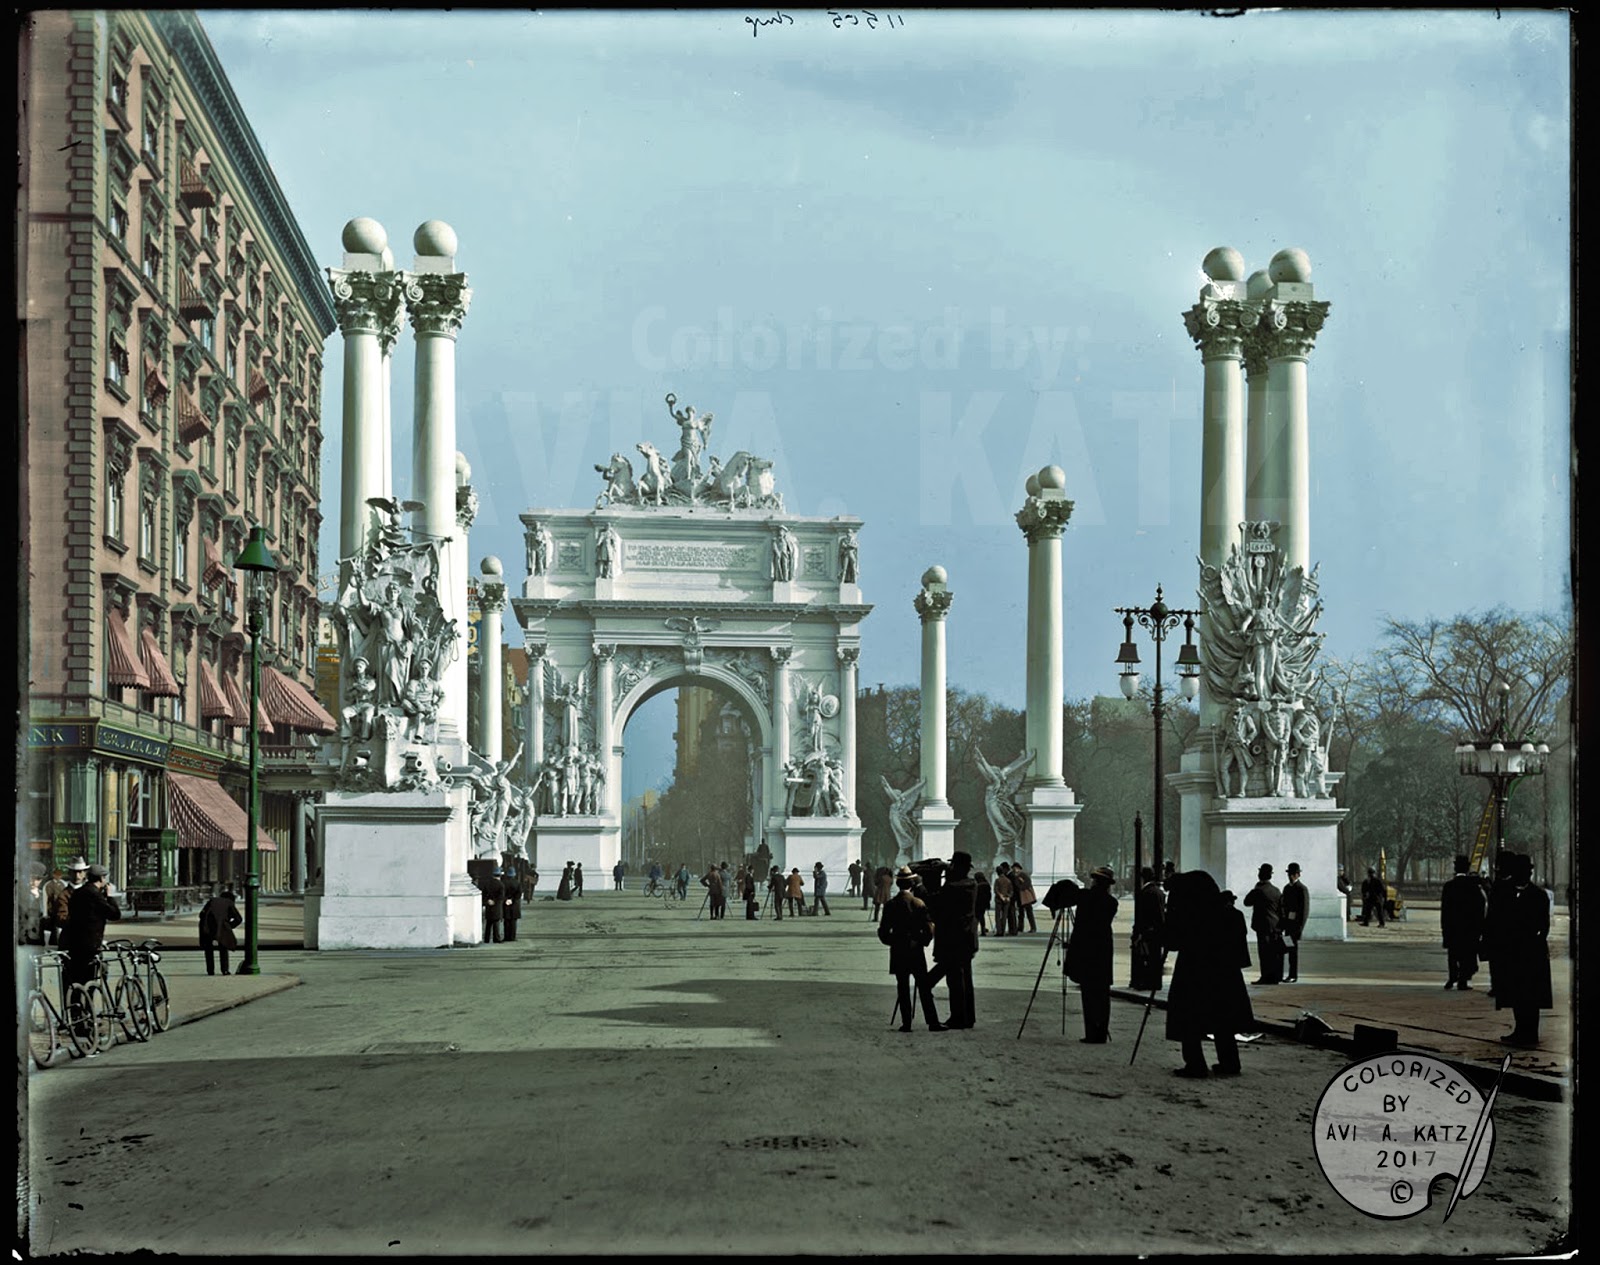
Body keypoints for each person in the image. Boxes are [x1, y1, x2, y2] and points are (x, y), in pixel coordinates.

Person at [1165, 869, 1254, 1077]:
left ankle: (1195, 1064)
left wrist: (1171, 919)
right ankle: (1230, 1063)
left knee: (1189, 1019)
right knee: (1223, 1020)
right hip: (1224, 974)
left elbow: (1172, 942)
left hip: (1193, 972)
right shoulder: (1227, 914)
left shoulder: (1189, 915)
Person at [878, 867, 946, 1032]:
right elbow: (930, 929)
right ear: (912, 884)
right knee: (923, 987)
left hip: (898, 950)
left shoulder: (890, 905)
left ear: (898, 883)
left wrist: (893, 942)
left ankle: (906, 1023)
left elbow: (883, 932)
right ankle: (932, 1022)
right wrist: (922, 941)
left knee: (902, 987)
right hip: (915, 950)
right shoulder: (918, 903)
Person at [1493, 853, 1551, 1047]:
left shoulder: (1539, 895)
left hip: (1531, 953)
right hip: (1512, 952)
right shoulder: (1504, 893)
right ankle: (1520, 1029)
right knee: (1516, 994)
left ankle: (1530, 1031)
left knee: (1531, 996)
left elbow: (1544, 926)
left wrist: (1534, 943)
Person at [927, 851, 979, 1029]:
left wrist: (922, 884)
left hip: (954, 942)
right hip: (966, 941)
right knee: (964, 979)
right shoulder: (971, 884)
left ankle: (958, 1017)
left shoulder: (954, 887)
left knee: (955, 980)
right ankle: (967, 1017)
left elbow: (934, 904)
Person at [1066, 866, 1118, 1043]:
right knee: (1103, 993)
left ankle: (1091, 1032)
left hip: (1086, 949)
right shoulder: (1112, 903)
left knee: (1088, 993)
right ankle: (1101, 1031)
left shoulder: (1085, 897)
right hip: (1103, 949)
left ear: (1095, 881)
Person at [60, 863, 122, 1001]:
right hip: (90, 946)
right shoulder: (95, 895)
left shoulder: (78, 893)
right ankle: (88, 1014)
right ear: (101, 878)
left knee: (76, 982)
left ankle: (76, 1015)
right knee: (90, 981)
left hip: (73, 944)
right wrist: (110, 897)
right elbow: (115, 914)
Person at [1441, 854, 1487, 990]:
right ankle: (1463, 980)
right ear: (1467, 869)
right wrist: (1480, 927)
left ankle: (1452, 976)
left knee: (1453, 953)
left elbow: (1445, 910)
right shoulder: (1474, 886)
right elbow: (1480, 907)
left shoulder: (1449, 886)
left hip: (1453, 926)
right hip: (1469, 927)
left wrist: (1445, 928)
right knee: (1467, 954)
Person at [1243, 863, 1285, 985]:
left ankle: (1266, 976)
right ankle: (1275, 976)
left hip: (1263, 926)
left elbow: (1247, 902)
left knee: (1265, 953)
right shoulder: (1276, 890)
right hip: (1276, 925)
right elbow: (1281, 909)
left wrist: (1254, 889)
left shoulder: (1258, 890)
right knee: (1275, 952)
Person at [1130, 866, 1167, 992]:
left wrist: (1137, 932)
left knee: (1146, 957)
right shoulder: (1159, 892)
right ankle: (1155, 982)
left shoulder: (1145, 893)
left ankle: (1146, 982)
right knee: (1155, 957)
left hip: (1147, 931)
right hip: (1158, 931)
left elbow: (1141, 916)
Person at [198, 885, 242, 975]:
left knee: (208, 949)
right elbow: (238, 919)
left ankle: (210, 970)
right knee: (223, 948)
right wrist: (229, 926)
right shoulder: (229, 903)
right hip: (222, 927)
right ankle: (224, 970)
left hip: (207, 926)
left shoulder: (212, 901)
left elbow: (201, 914)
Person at [1280, 862, 1309, 983]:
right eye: (1290, 874)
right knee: (1286, 950)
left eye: (1293, 874)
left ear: (1298, 875)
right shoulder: (1287, 888)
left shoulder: (1302, 889)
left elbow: (1304, 910)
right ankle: (1285, 974)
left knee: (1293, 952)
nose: (1291, 876)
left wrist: (1300, 928)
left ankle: (1293, 975)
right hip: (1288, 924)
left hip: (1295, 925)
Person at [42, 865, 70, 945]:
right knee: (51, 928)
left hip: (60, 909)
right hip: (51, 911)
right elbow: (45, 898)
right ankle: (50, 943)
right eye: (56, 874)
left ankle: (59, 942)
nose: (58, 876)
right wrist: (45, 912)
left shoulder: (64, 884)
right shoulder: (48, 885)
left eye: (59, 874)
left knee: (60, 927)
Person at [1010, 863, 1038, 934]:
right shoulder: (1014, 876)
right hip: (1020, 897)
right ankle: (1020, 927)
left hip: (1026, 897)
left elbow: (1027, 884)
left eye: (1015, 868)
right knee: (1021, 913)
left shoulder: (1023, 875)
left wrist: (1020, 886)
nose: (1014, 869)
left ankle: (1033, 927)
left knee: (1029, 913)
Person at [481, 867, 506, 942]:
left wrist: (488, 901)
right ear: (499, 875)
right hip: (497, 906)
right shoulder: (501, 885)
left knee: (488, 923)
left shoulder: (487, 883)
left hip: (489, 906)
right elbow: (501, 896)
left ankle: (486, 938)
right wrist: (495, 901)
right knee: (496, 923)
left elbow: (484, 894)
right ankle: (496, 938)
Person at [991, 865, 1015, 936]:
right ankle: (1003, 930)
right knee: (1004, 916)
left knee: (998, 916)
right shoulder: (1008, 880)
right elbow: (1011, 891)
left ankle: (999, 931)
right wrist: (1008, 897)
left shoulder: (997, 880)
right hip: (1007, 900)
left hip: (999, 899)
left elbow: (996, 890)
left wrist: (1001, 896)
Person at [503, 867, 522, 941]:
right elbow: (519, 894)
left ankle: (506, 937)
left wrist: (506, 900)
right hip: (515, 904)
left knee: (506, 921)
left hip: (505, 904)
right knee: (513, 922)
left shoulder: (503, 882)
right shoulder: (517, 882)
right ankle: (512, 937)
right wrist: (512, 900)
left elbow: (502, 893)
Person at [974, 870, 993, 936]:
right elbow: (989, 895)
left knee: (976, 917)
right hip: (984, 903)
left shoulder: (977, 885)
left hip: (978, 903)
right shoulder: (987, 884)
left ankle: (975, 930)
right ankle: (983, 930)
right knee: (982, 917)